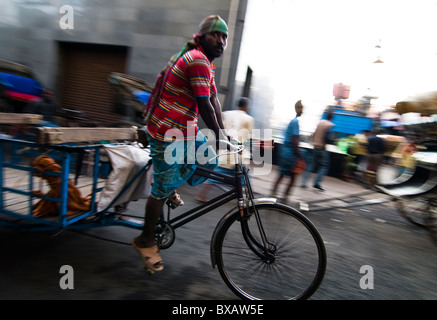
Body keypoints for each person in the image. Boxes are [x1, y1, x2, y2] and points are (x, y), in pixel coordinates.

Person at [131, 15, 230, 273]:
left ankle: (169, 184)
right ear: (202, 37)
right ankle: (145, 240)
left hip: (185, 129)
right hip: (166, 130)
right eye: (215, 35)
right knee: (161, 189)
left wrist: (224, 134)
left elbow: (214, 101)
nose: (221, 40)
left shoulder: (206, 63)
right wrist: (219, 135)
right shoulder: (196, 59)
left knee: (209, 159)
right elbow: (204, 105)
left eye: (224, 37)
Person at [195, 97, 254, 202]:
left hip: (226, 148)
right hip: (238, 151)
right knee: (245, 176)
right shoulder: (249, 119)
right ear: (246, 106)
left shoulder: (226, 114)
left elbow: (220, 129)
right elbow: (248, 136)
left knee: (215, 174)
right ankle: (250, 198)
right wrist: (249, 149)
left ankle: (202, 195)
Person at [270, 100, 304, 201]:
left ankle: (273, 194)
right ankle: (284, 197)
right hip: (290, 154)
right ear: (297, 109)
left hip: (285, 152)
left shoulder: (293, 121)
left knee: (282, 175)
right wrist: (299, 155)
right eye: (301, 108)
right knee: (292, 177)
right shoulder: (295, 122)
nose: (302, 110)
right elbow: (294, 140)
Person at [300, 110, 335, 191]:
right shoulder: (330, 125)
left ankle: (304, 182)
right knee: (324, 166)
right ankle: (317, 183)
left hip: (315, 146)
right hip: (322, 148)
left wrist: (313, 142)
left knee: (310, 165)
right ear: (332, 117)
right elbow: (328, 138)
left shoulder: (320, 123)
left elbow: (313, 133)